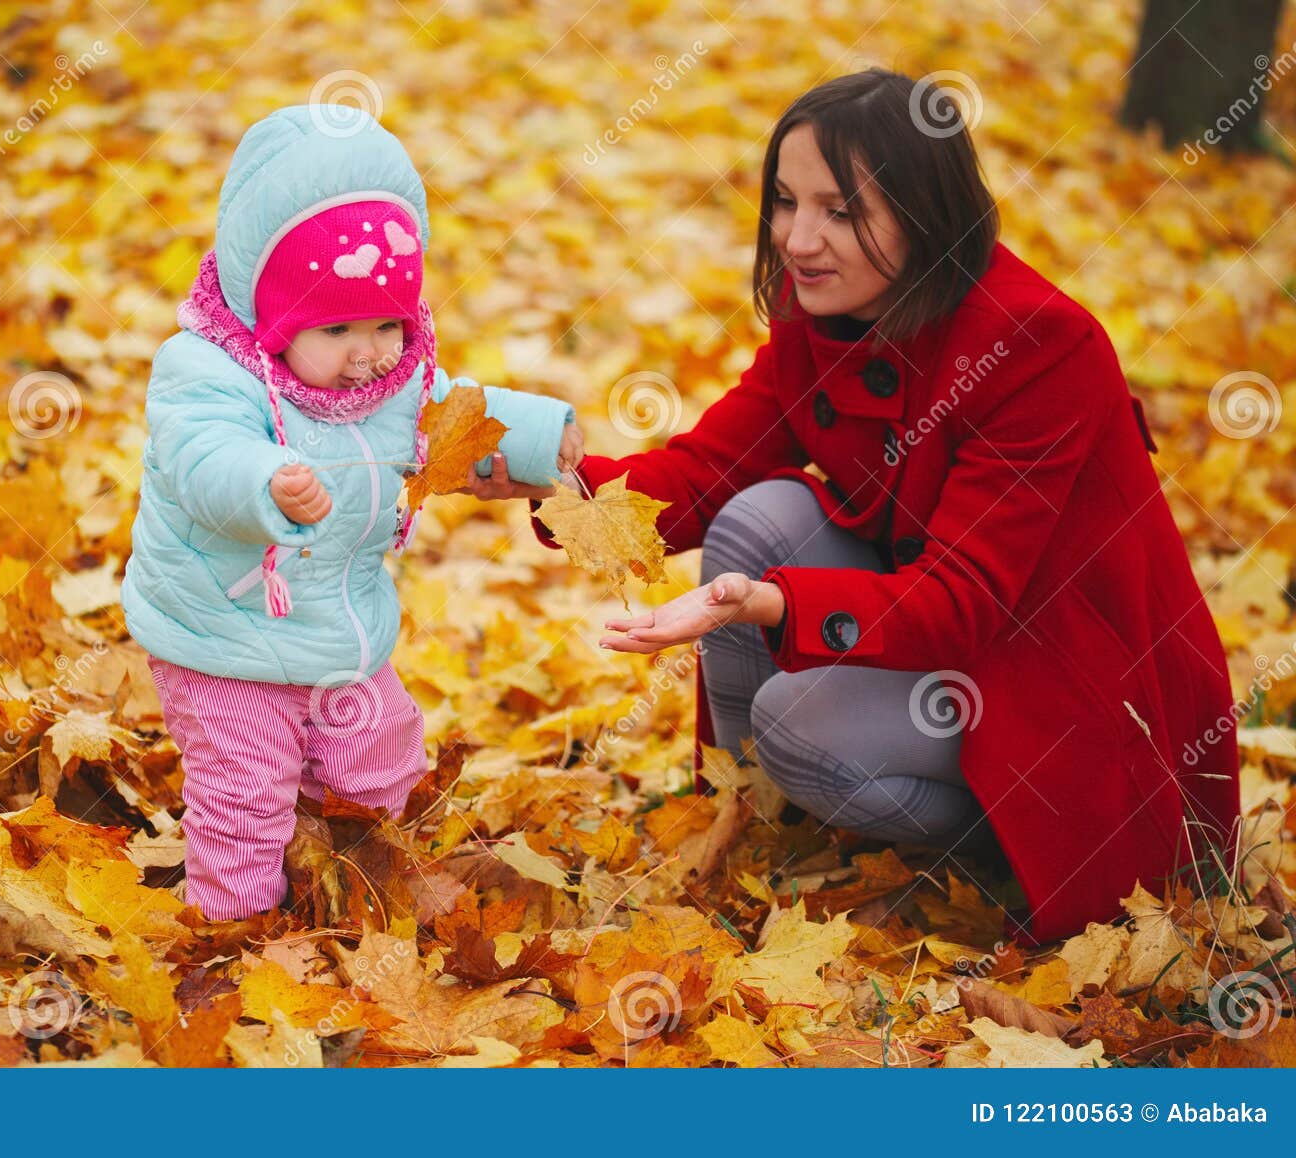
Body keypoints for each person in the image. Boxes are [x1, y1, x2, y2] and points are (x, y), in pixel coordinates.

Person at [485, 68, 1240, 944]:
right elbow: (705, 472)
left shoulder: (1037, 343)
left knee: (797, 725)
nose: (799, 238)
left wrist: (774, 603)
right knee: (755, 519)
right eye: (785, 202)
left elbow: (964, 597)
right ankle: (756, 819)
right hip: (927, 615)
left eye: (842, 212)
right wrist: (556, 484)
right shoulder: (822, 313)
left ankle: (999, 841)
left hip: (1063, 677)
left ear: (927, 215)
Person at [120, 104, 583, 920]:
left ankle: (367, 891)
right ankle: (236, 930)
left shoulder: (390, 378)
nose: (368, 352)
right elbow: (201, 457)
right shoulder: (206, 371)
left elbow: (453, 415)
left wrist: (543, 437)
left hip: (344, 632)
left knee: (378, 753)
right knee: (246, 789)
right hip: (225, 637)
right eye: (336, 328)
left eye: (387, 326)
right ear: (271, 309)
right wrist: (267, 483)